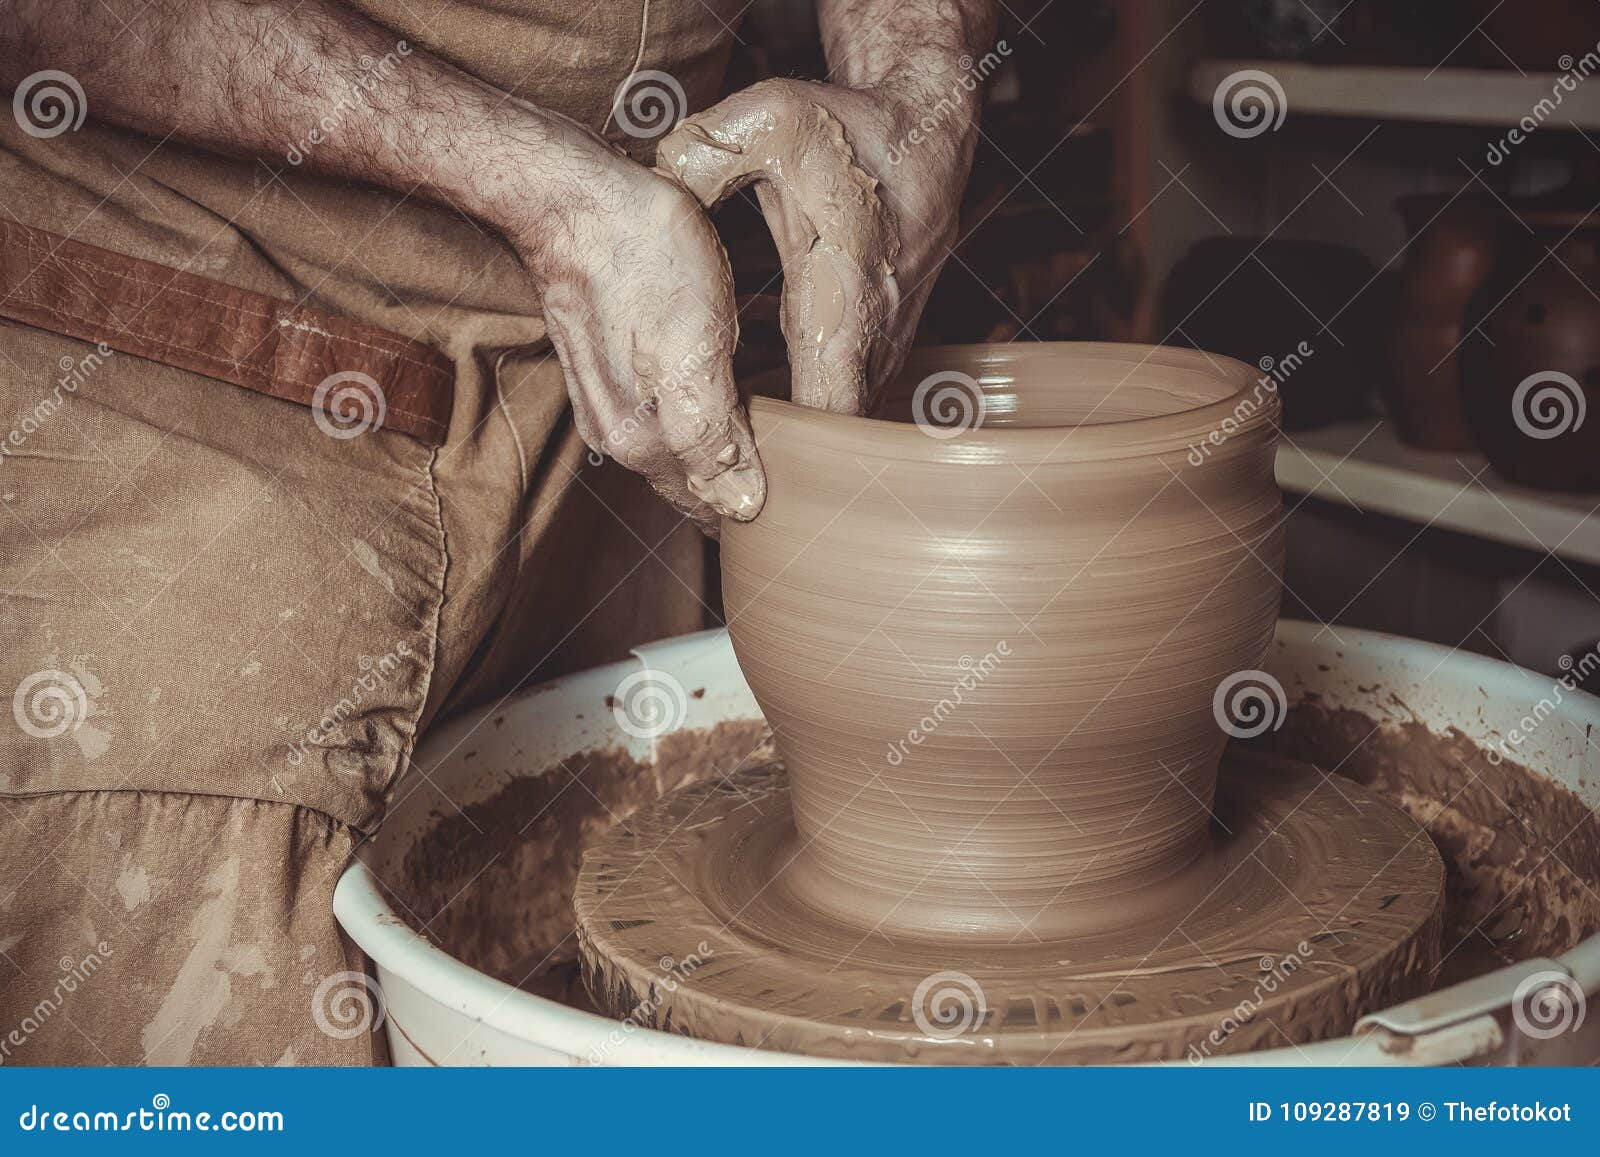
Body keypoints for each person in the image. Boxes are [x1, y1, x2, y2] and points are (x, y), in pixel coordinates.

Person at [0, 0, 995, 1063]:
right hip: (180, 352)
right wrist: (544, 192)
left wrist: (922, 85)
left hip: (612, 362)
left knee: (613, 892)